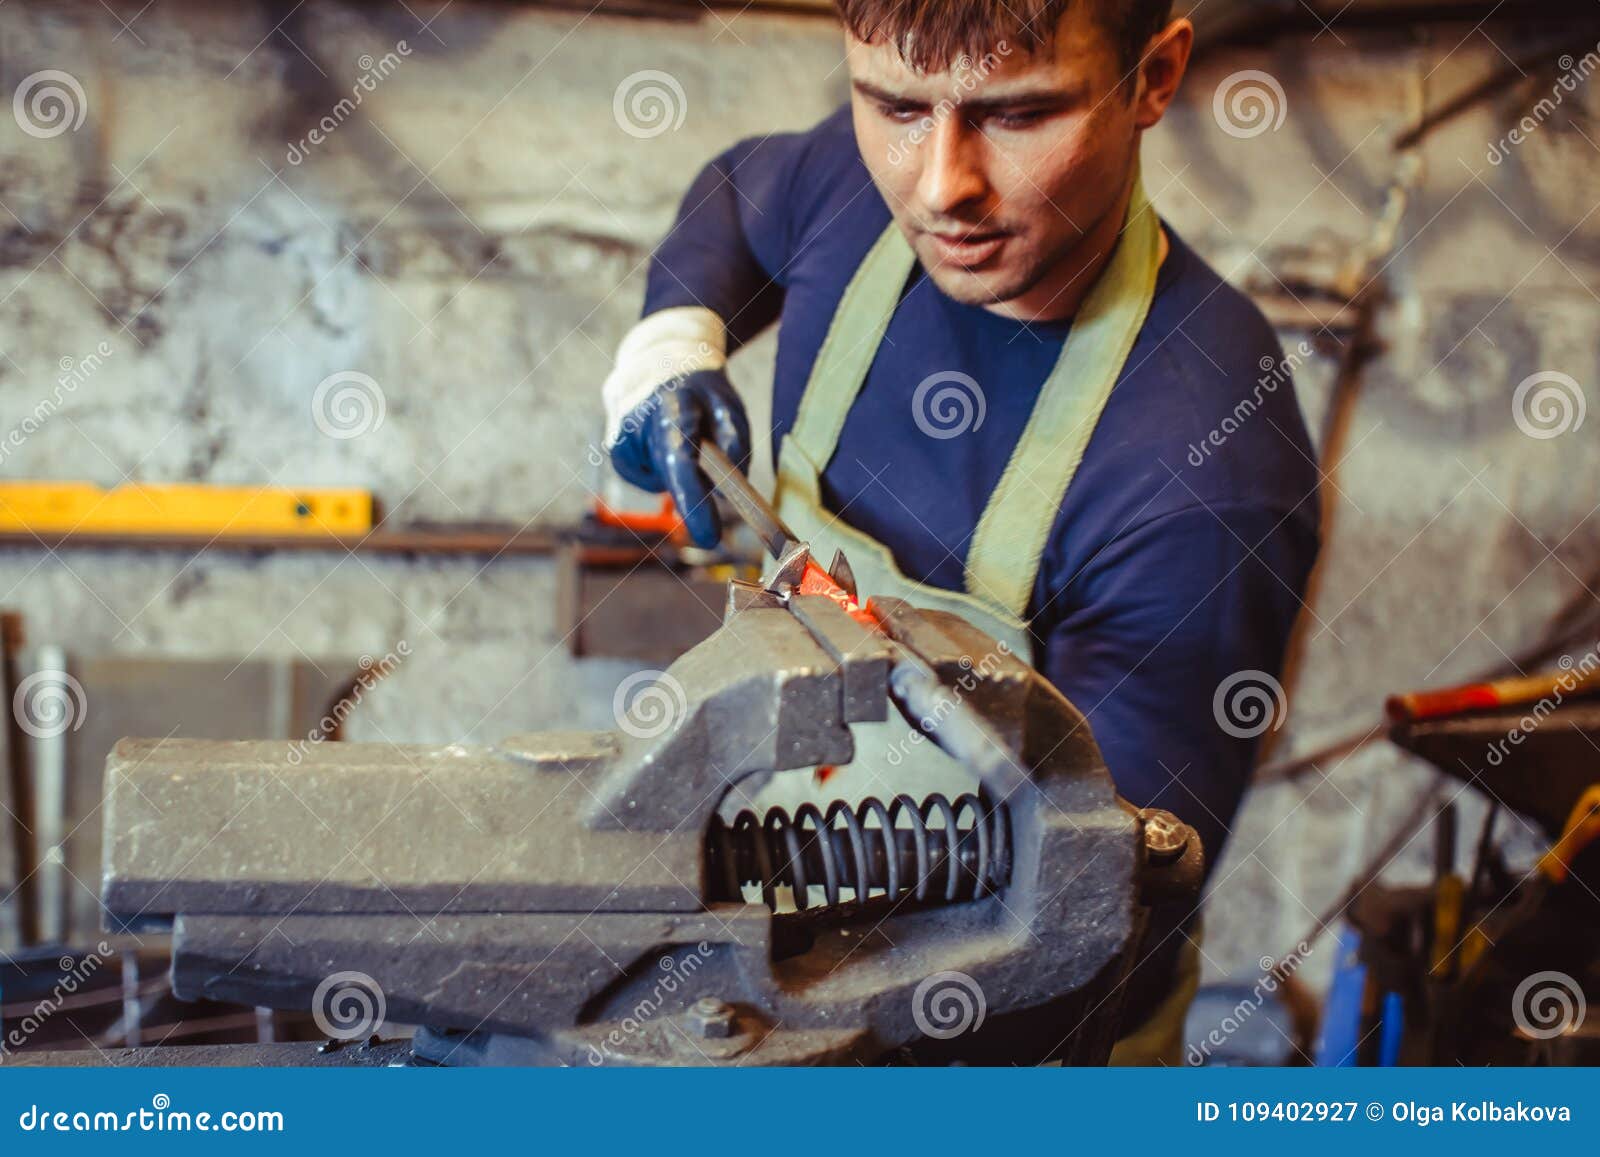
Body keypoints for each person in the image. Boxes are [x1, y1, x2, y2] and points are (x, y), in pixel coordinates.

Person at [601, 0, 1321, 1063]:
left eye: (1018, 114)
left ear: (1154, 77)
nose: (940, 187)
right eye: (893, 102)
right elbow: (740, 196)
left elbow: (1093, 926)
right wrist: (674, 335)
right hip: (780, 906)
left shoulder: (1205, 471)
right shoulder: (850, 199)